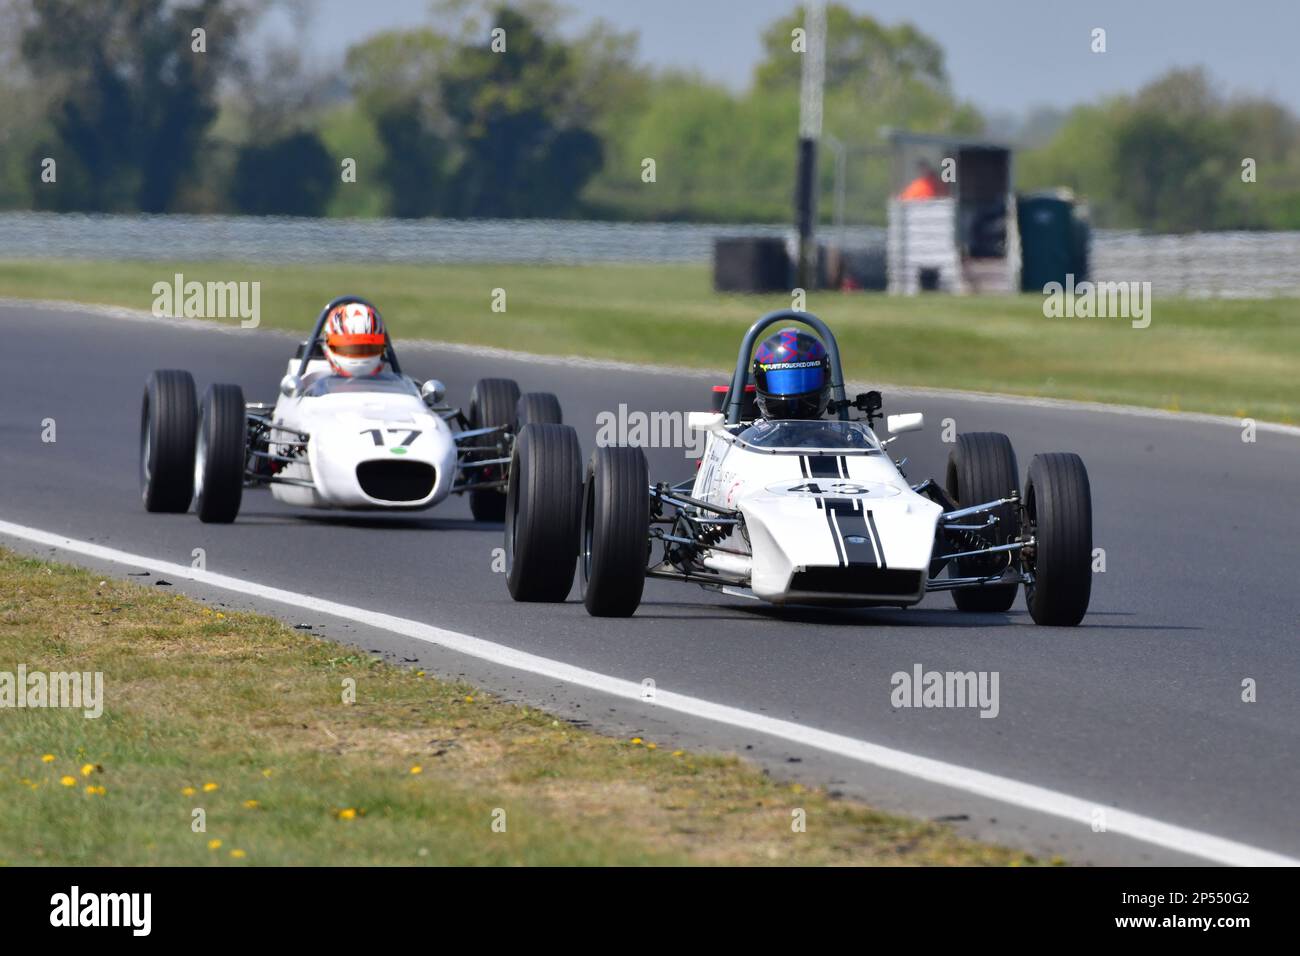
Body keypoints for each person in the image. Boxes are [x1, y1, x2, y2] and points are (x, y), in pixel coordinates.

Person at [752, 328, 831, 420]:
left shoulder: (842, 433)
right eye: (781, 381)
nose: (793, 401)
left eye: (808, 380)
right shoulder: (741, 433)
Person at [323, 302, 387, 378]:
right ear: (328, 345)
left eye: (369, 348)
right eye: (350, 348)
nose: (361, 355)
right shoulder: (314, 380)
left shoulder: (395, 383)